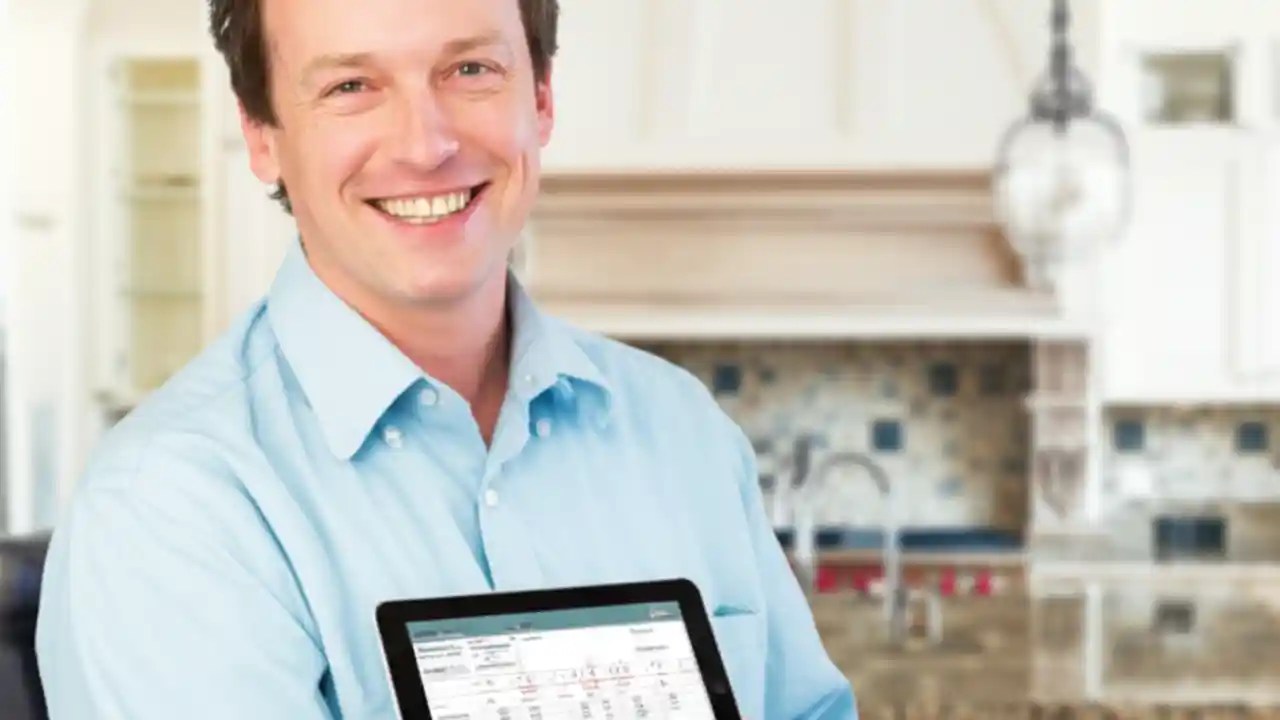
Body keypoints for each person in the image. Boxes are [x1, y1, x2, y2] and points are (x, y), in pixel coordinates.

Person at [35, 0, 858, 717]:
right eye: (350, 87)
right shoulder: (169, 510)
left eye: (469, 69)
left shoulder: (683, 433)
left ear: (540, 99)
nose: (426, 145)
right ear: (262, 137)